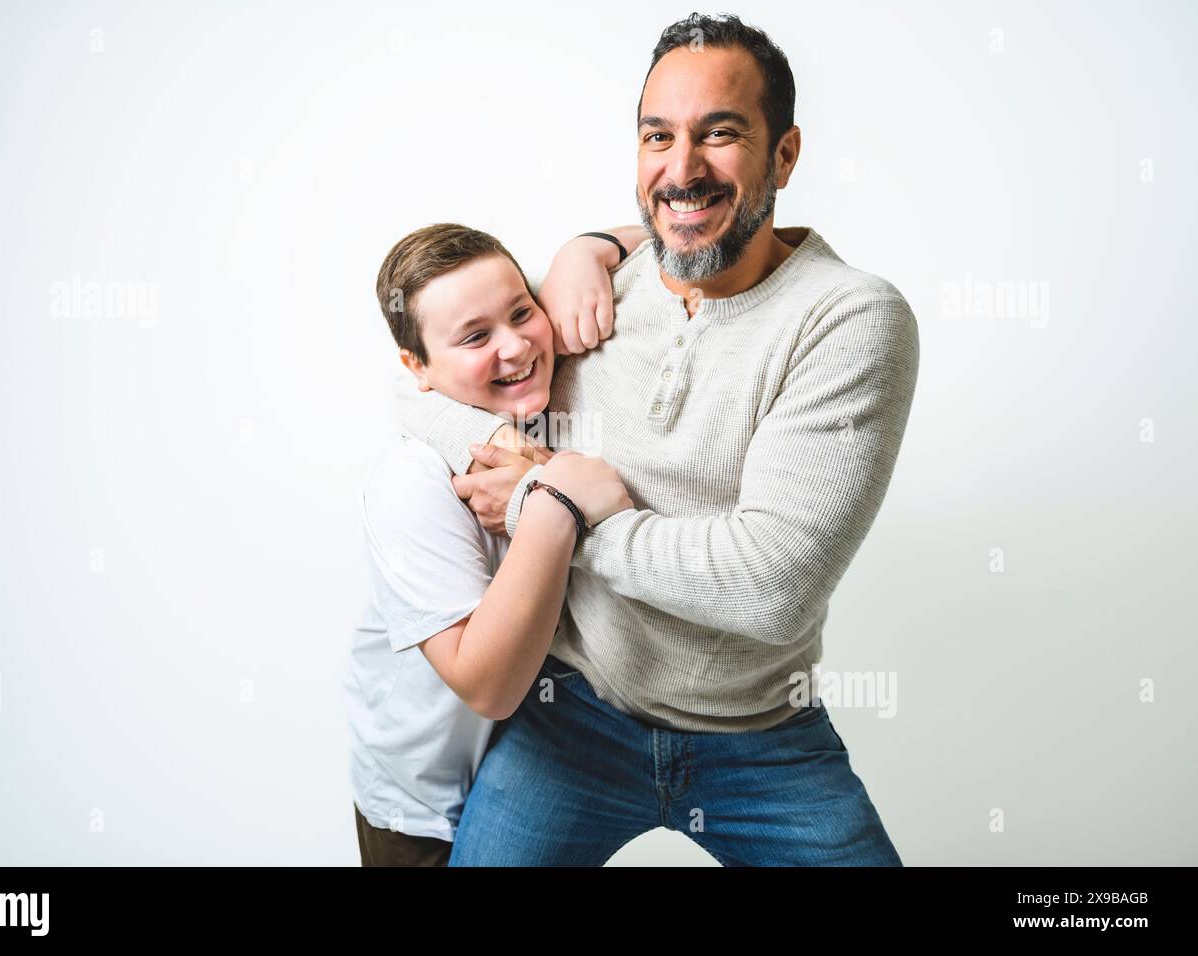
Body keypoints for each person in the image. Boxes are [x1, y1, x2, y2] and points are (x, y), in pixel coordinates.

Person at [392, 13, 919, 866]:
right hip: (570, 721)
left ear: (783, 156)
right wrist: (586, 247)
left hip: (764, 741)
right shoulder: (578, 298)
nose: (683, 170)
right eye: (657, 137)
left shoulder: (848, 319)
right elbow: (421, 387)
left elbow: (770, 588)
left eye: (720, 134)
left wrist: (550, 501)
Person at [342, 223, 632, 866]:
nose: (516, 346)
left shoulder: (545, 410)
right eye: (475, 336)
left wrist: (586, 248)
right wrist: (555, 500)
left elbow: (681, 232)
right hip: (422, 809)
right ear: (416, 368)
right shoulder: (410, 486)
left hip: (534, 761)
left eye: (522, 313)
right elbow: (487, 686)